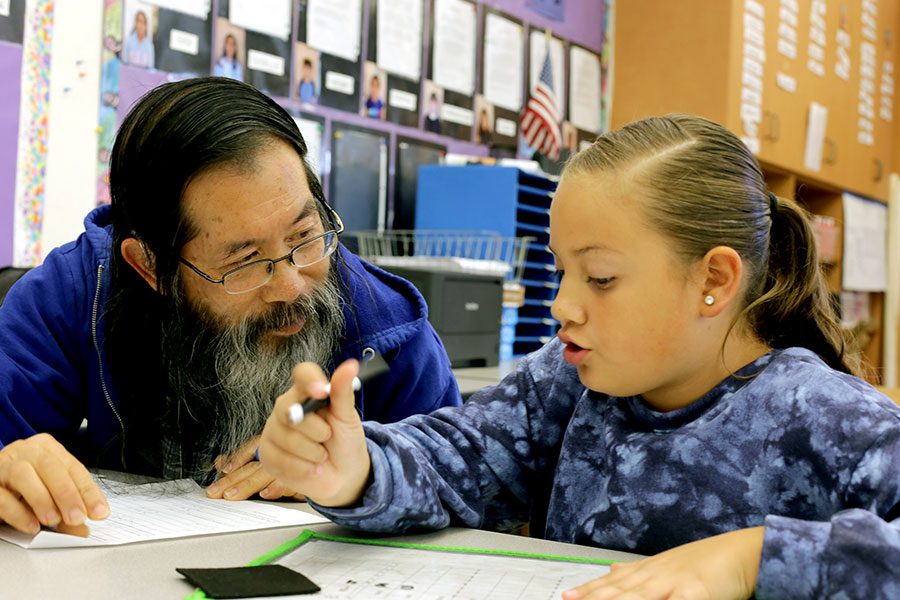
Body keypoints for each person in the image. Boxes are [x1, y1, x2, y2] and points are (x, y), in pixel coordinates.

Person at [260, 114, 900, 598]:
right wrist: (355, 469)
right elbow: (461, 454)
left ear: (714, 281)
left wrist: (751, 559)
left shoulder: (826, 416)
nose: (561, 305)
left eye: (599, 278)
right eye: (560, 271)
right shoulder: (568, 379)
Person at [0, 77, 461, 536]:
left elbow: (463, 493)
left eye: (304, 236)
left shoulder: (386, 340)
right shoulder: (75, 294)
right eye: (244, 262)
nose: (291, 285)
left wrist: (361, 476)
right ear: (148, 266)